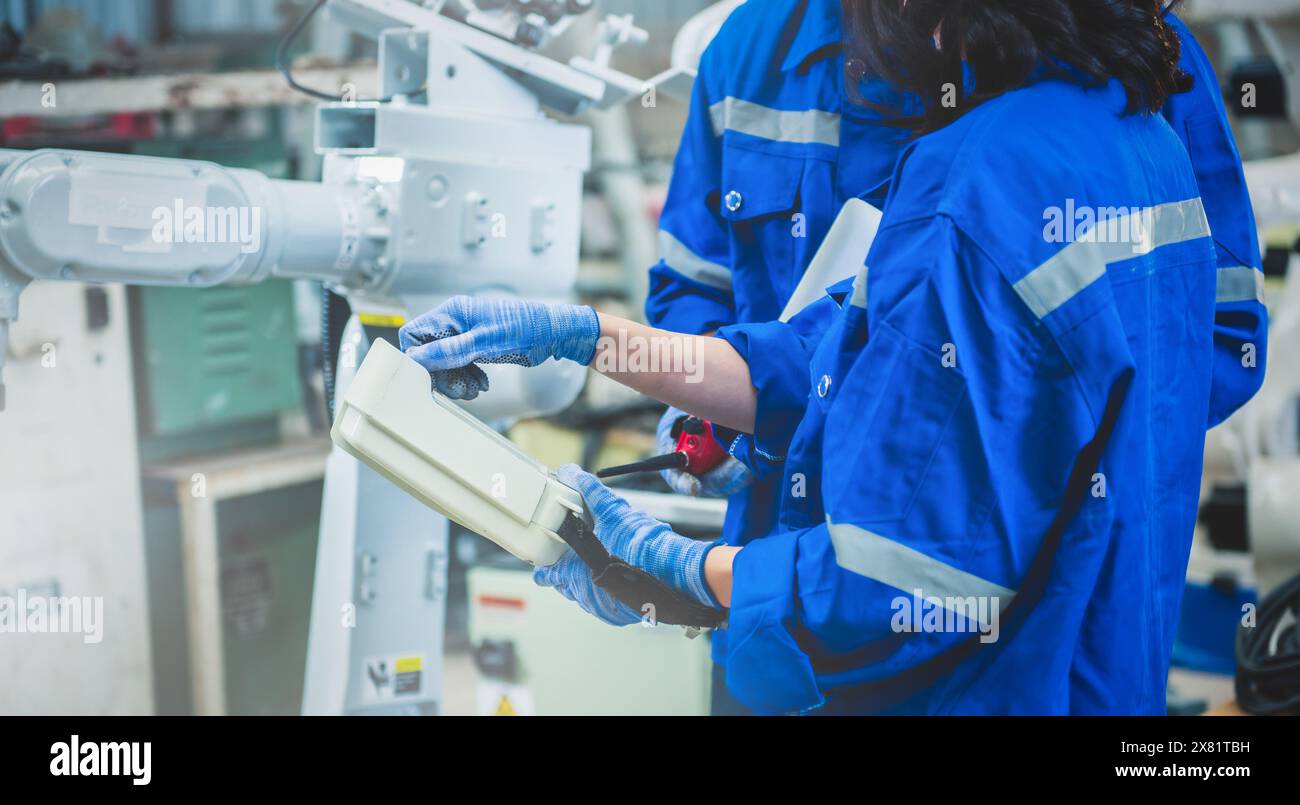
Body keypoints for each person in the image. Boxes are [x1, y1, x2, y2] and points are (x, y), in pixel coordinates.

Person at [398, 0, 1267, 714]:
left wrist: (668, 570)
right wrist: (591, 339)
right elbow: (842, 353)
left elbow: (898, 582)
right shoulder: (1123, 123)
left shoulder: (979, 182)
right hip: (1081, 661)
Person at [642, 0, 918, 714]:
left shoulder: (1024, 50)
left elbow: (1211, 337)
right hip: (764, 604)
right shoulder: (745, 53)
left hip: (940, 603)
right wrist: (706, 413)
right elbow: (690, 284)